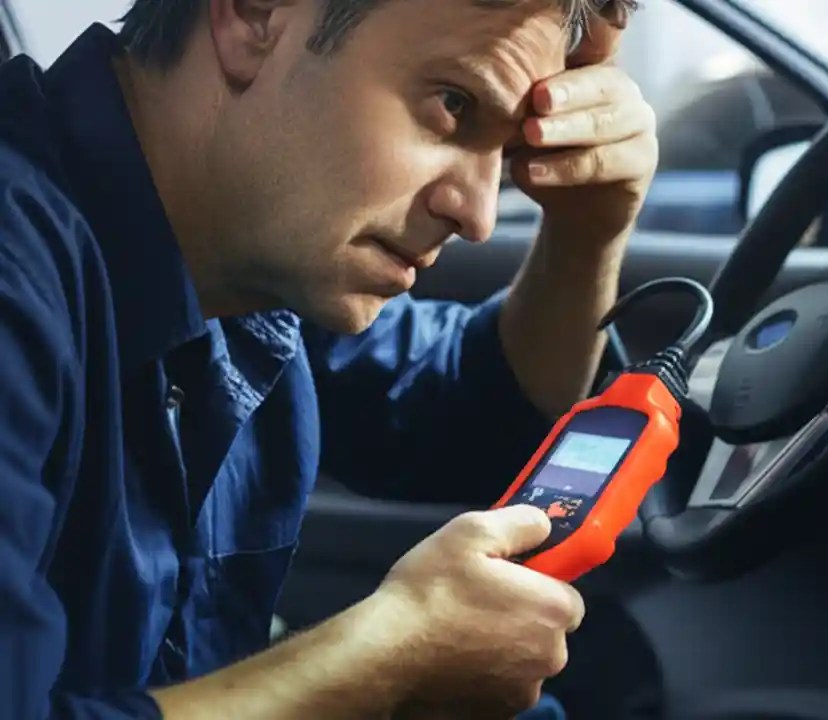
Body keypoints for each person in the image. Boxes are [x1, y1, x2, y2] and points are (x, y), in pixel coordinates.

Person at [0, 0, 657, 717]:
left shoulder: (259, 261)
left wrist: (588, 228)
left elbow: (482, 411)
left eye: (505, 153)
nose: (477, 213)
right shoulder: (19, 267)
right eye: (453, 104)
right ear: (255, 17)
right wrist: (387, 654)